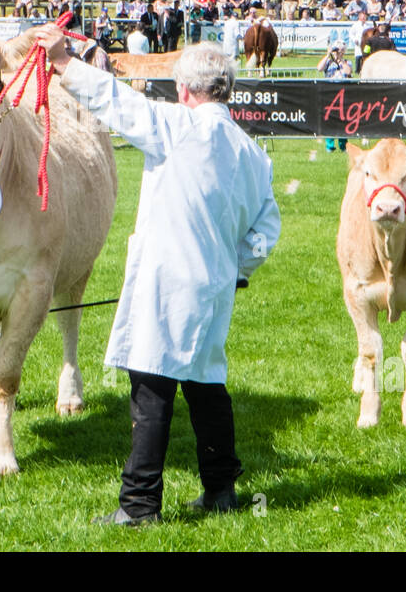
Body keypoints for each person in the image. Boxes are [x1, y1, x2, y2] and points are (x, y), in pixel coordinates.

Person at [35, 29, 280, 525]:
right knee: (207, 385)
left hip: (167, 284)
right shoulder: (254, 155)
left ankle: (139, 504)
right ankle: (220, 490)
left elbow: (115, 101)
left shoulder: (175, 126)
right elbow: (266, 230)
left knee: (151, 388)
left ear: (184, 89)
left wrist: (62, 62)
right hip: (215, 287)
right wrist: (236, 268)